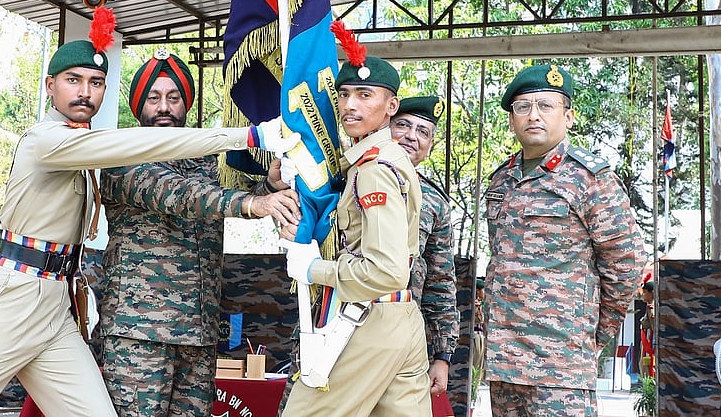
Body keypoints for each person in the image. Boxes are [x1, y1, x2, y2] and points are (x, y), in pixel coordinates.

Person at [0, 15, 290, 417]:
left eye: (95, 84)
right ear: (50, 87)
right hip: (12, 297)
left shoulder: (90, 145)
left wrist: (266, 187)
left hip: (58, 303)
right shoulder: (48, 140)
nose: (85, 93)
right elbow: (177, 188)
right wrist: (251, 136)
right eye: (73, 81)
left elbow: (209, 181)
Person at [96, 49, 301, 417]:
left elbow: (231, 195)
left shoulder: (206, 161)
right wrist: (252, 204)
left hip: (200, 330)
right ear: (138, 105)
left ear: (185, 105)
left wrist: (268, 188)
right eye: (154, 98)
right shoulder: (120, 155)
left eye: (173, 98)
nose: (164, 107)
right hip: (139, 331)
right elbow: (181, 195)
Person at [483, 63, 645, 417]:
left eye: (545, 106)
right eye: (523, 107)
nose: (533, 116)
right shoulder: (501, 181)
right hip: (504, 363)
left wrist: (592, 338)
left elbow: (627, 266)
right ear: (512, 120)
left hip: (561, 366)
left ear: (568, 117)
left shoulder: (591, 179)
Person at [280, 45, 431, 417]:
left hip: (369, 317)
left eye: (365, 96)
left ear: (391, 107)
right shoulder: (383, 160)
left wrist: (314, 269)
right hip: (399, 315)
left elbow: (386, 270)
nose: (350, 105)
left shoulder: (375, 169)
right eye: (344, 94)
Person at [391, 96, 459, 401]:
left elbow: (440, 283)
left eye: (423, 132)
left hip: (403, 341)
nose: (411, 136)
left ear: (429, 146)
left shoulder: (433, 200)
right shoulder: (345, 178)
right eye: (402, 125)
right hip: (338, 332)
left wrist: (442, 356)